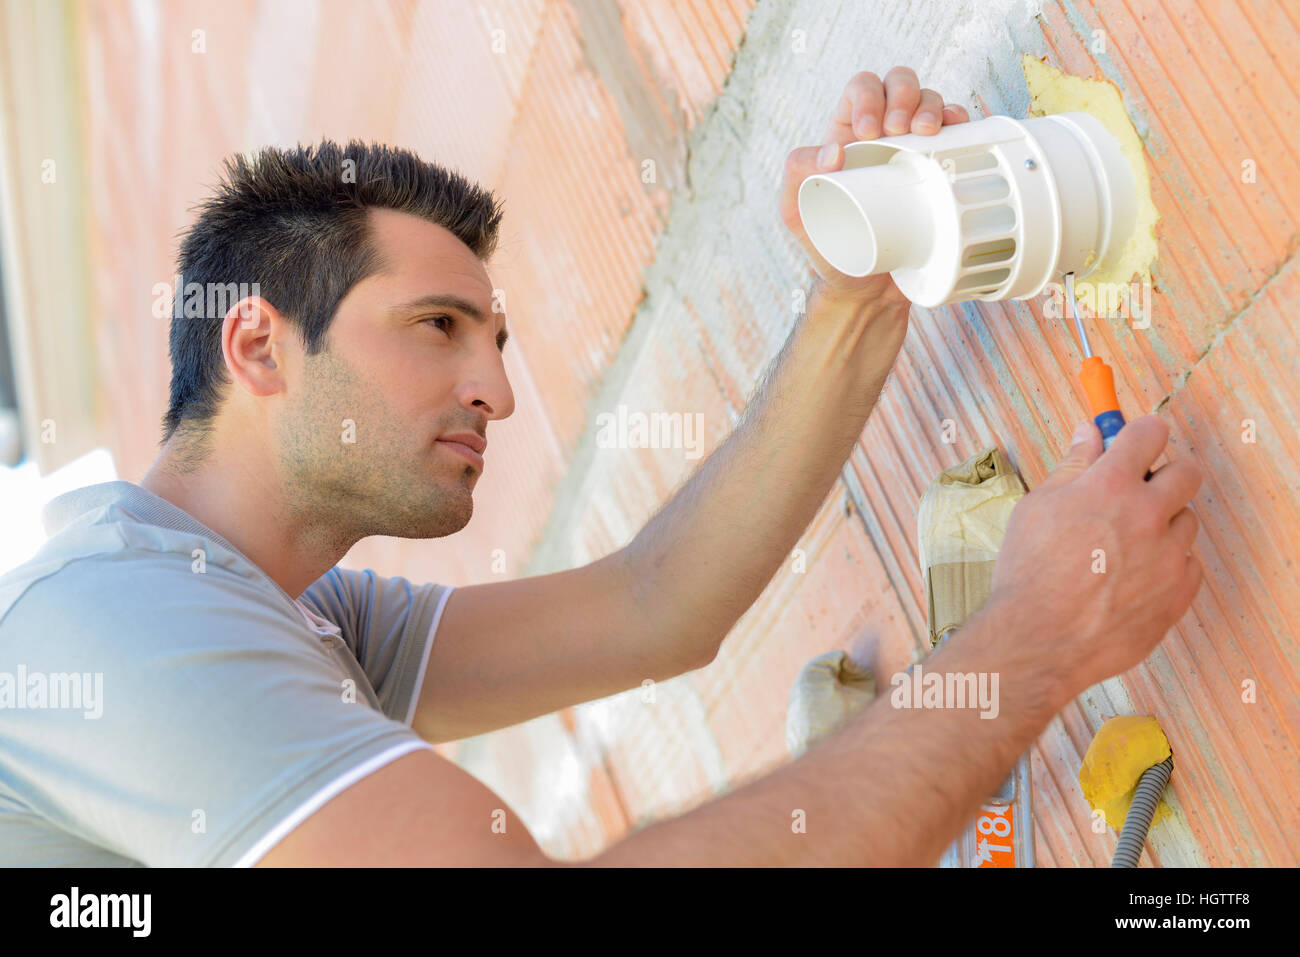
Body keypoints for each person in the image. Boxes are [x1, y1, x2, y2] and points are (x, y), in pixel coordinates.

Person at [0, 67, 1201, 866]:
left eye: (498, 341)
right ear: (258, 343)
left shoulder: (289, 612)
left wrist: (855, 296)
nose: (498, 391)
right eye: (437, 327)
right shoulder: (108, 627)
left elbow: (653, 606)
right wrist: (1038, 635)